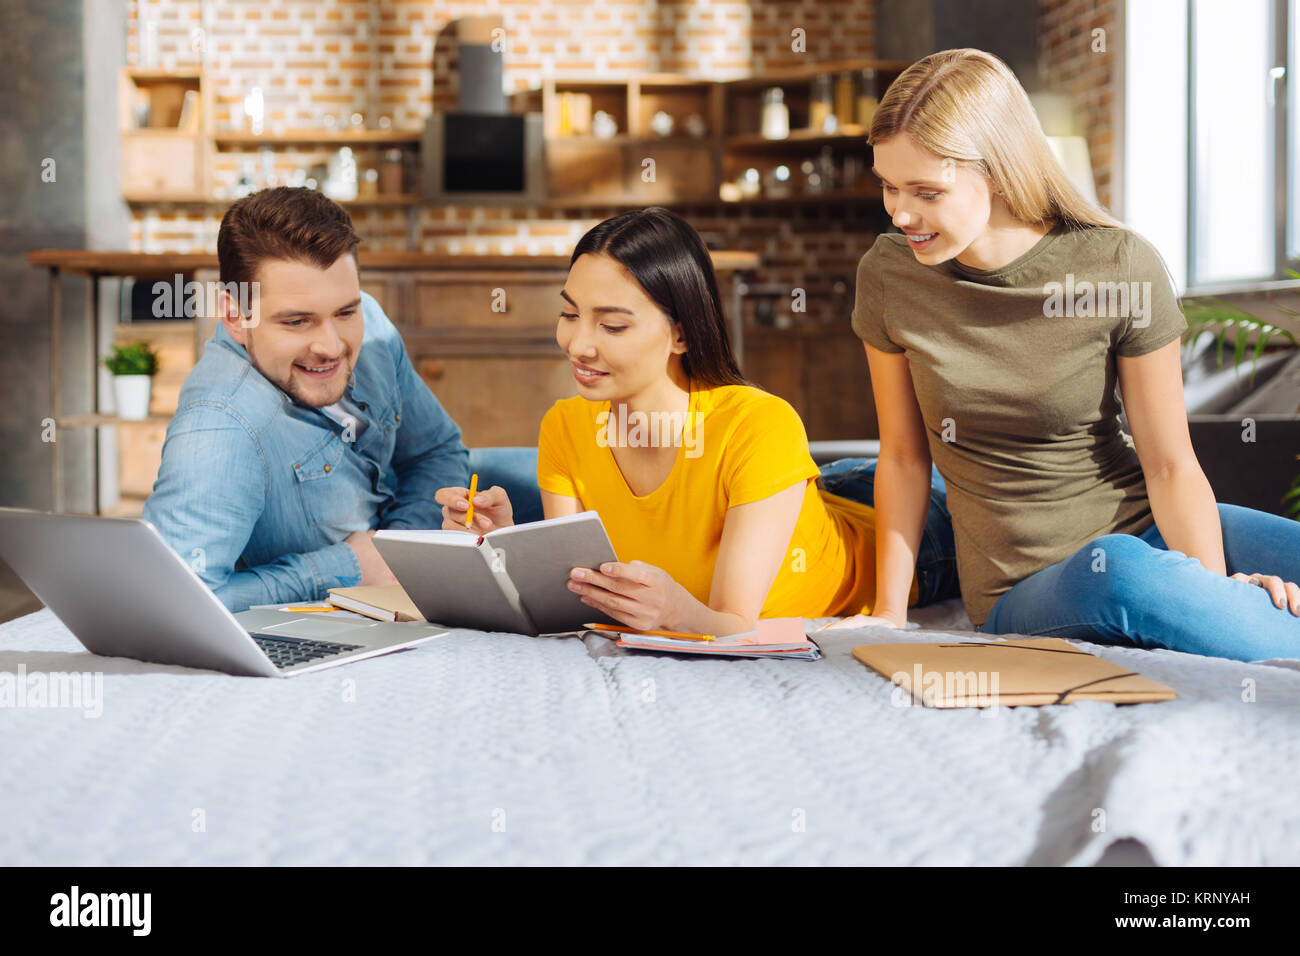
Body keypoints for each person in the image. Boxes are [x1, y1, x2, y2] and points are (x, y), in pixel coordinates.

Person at [845, 48, 1300, 661]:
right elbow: (902, 457)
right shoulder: (890, 275)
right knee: (1123, 573)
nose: (901, 212)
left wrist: (1212, 591)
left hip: (1147, 524)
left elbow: (1168, 464)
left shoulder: (1118, 265)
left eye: (926, 191)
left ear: (1000, 171)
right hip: (1031, 585)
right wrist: (888, 615)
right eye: (888, 185)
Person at [435, 207, 959, 636]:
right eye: (570, 314)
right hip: (786, 493)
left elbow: (731, 625)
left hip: (914, 534)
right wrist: (504, 548)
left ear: (681, 335)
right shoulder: (566, 427)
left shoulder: (760, 426)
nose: (578, 345)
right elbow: (573, 598)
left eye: (612, 324)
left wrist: (674, 613)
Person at [143, 186, 469, 611]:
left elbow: (435, 451)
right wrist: (346, 567)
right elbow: (172, 603)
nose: (332, 346)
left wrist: (398, 552)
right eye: (298, 322)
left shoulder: (370, 322)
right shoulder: (219, 429)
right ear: (236, 317)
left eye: (345, 313)